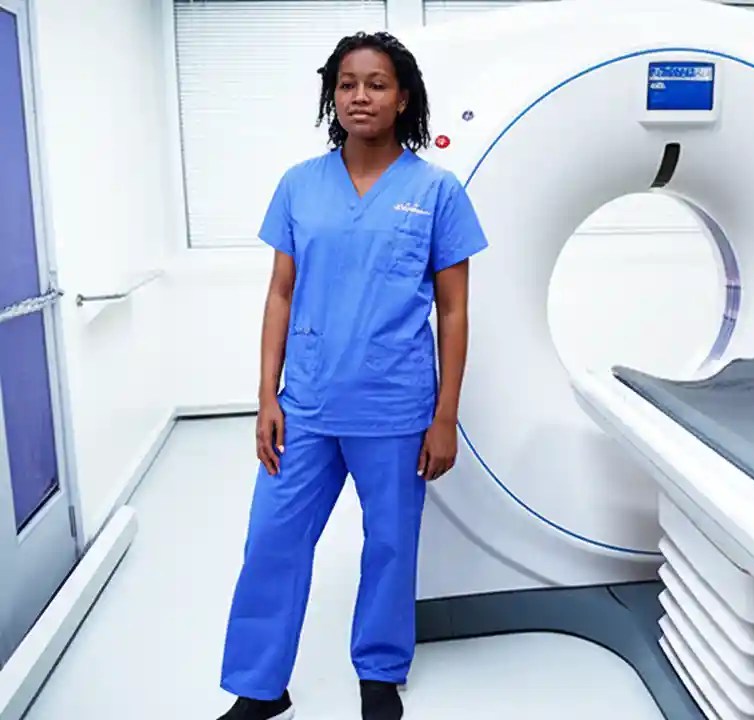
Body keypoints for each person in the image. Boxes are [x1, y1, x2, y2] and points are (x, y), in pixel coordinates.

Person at [215, 30, 487, 720]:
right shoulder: (300, 185)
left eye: (376, 83)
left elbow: (453, 311)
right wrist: (264, 397)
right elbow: (281, 292)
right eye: (346, 83)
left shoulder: (436, 191)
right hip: (304, 404)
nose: (359, 96)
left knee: (391, 545)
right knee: (272, 542)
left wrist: (446, 416)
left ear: (403, 99)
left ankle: (378, 674)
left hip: (395, 407)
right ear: (331, 95)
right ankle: (258, 685)